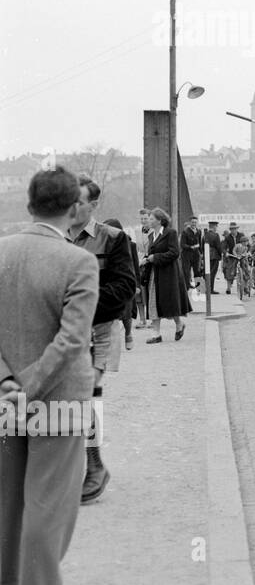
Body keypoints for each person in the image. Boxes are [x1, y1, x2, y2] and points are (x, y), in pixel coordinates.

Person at [0, 166, 98, 585]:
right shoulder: (78, 262)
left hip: (5, 398)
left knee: (8, 495)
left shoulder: (0, 251)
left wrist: (8, 385)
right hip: (58, 398)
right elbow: (73, 339)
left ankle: (7, 584)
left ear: (28, 203)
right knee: (50, 499)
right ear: (75, 208)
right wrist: (32, 387)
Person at [69, 178, 137, 504]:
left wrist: (75, 306)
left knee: (87, 397)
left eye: (77, 201)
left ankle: (94, 464)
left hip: (96, 333)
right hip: (55, 333)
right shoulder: (51, 238)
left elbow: (124, 288)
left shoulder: (113, 239)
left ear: (93, 205)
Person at [142, 208, 190, 342]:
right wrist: (146, 259)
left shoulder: (171, 233)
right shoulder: (151, 235)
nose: (149, 221)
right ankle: (156, 334)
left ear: (159, 220)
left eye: (151, 218)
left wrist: (155, 257)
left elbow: (175, 253)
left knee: (170, 301)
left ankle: (179, 325)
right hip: (154, 273)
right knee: (153, 301)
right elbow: (152, 253)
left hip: (168, 274)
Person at [104, 217, 142, 349]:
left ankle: (128, 333)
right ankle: (110, 340)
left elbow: (135, 266)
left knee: (126, 312)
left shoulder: (130, 245)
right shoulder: (102, 245)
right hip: (109, 281)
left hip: (126, 281)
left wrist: (136, 285)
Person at [181, 216, 202, 294]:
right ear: (190, 223)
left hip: (196, 254)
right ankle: (186, 289)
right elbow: (182, 244)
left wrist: (201, 253)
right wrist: (191, 247)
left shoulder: (199, 231)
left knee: (197, 271)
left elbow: (200, 243)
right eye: (192, 222)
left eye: (195, 222)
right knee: (186, 272)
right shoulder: (185, 232)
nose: (194, 224)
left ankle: (199, 288)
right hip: (186, 254)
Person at [201, 221, 223, 296]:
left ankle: (206, 288)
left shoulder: (205, 235)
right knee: (212, 273)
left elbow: (202, 246)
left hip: (206, 255)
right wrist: (220, 255)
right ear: (214, 227)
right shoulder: (216, 235)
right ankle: (211, 289)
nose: (216, 228)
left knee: (206, 272)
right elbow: (218, 247)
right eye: (216, 226)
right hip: (214, 255)